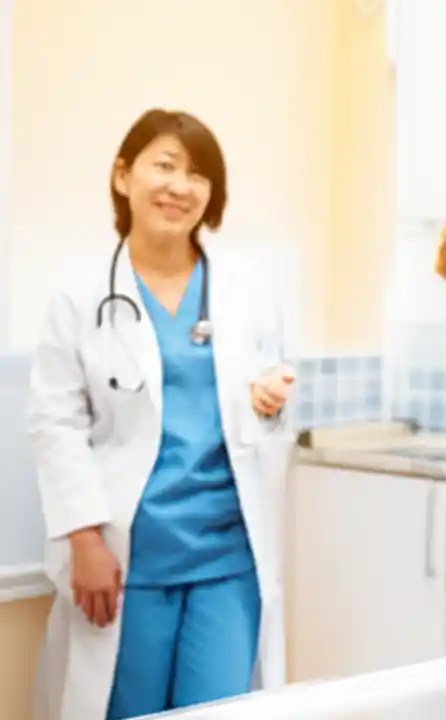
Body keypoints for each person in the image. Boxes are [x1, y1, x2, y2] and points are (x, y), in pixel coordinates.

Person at [28, 108, 297, 720]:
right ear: (124, 177)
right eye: (165, 166)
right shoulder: (78, 295)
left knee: (221, 711)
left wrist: (269, 400)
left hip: (229, 557)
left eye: (199, 174)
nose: (181, 186)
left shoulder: (246, 289)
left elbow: (265, 401)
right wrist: (85, 540)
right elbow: (56, 424)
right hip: (127, 559)